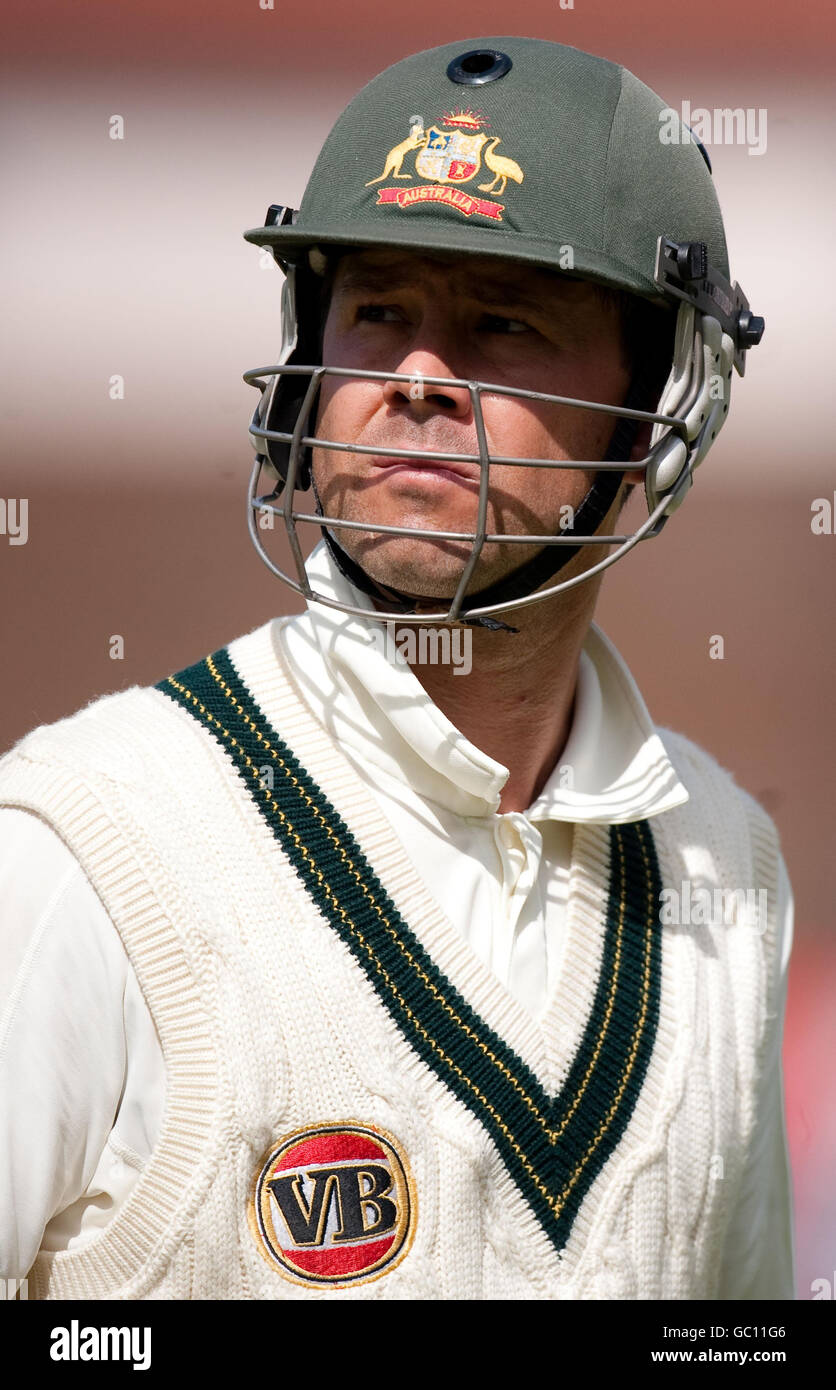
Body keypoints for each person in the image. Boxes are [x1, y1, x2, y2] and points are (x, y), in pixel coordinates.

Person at [0, 36, 793, 1300]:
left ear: (662, 401)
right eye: (376, 312)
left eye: (502, 322)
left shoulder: (727, 868)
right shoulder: (76, 847)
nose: (418, 380)